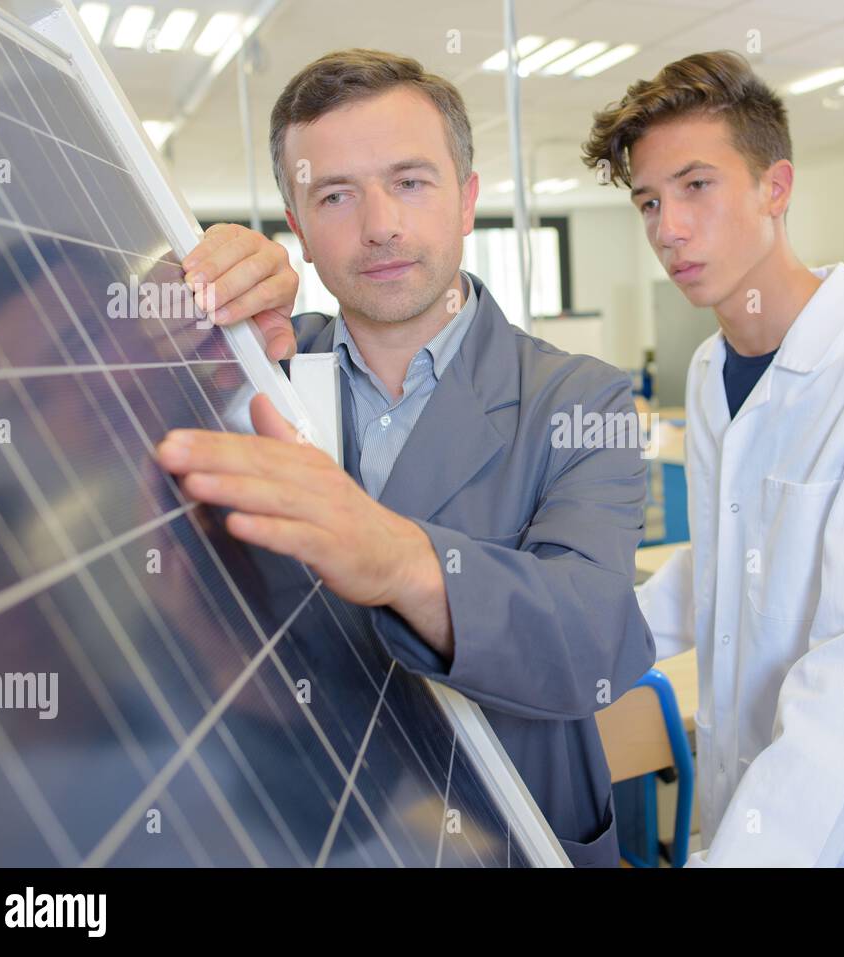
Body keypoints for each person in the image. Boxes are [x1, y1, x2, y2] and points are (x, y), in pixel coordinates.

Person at [159, 49, 655, 867]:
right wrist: (208, 309)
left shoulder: (582, 400)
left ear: (466, 202)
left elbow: (589, 641)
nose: (379, 222)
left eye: (411, 181)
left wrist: (395, 557)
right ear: (301, 233)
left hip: (509, 837)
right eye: (335, 195)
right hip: (307, 832)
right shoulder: (258, 376)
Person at [583, 51, 844, 866]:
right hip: (743, 807)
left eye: (697, 186)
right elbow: (726, 561)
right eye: (649, 201)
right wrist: (577, 647)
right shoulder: (708, 370)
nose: (669, 228)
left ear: (776, 186)